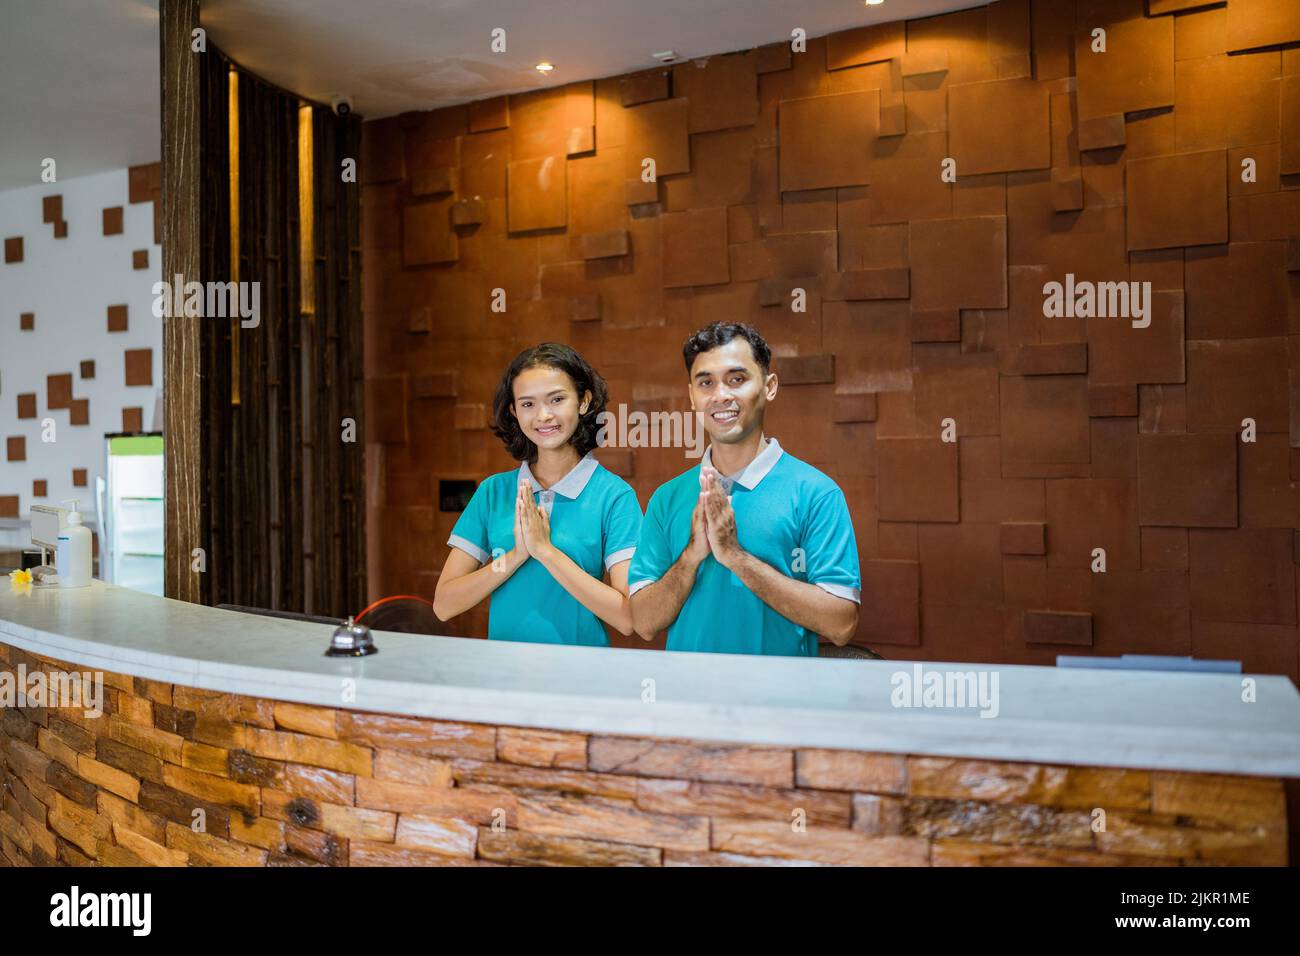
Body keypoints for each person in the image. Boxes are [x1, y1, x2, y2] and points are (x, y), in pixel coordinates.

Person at [628, 323, 861, 655]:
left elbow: (841, 625)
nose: (721, 395)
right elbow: (644, 622)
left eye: (737, 379)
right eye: (706, 382)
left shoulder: (817, 494)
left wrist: (736, 557)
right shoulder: (667, 499)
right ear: (693, 396)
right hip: (685, 700)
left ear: (769, 386)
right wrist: (692, 555)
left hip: (779, 702)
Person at [433, 343, 642, 645]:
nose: (544, 416)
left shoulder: (614, 496)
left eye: (557, 399)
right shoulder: (494, 492)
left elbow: (627, 618)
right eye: (528, 404)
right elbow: (444, 604)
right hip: (505, 679)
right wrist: (515, 556)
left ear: (583, 401)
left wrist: (546, 552)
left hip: (581, 680)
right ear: (514, 411)